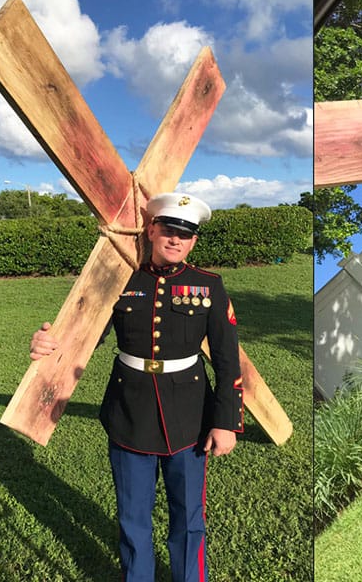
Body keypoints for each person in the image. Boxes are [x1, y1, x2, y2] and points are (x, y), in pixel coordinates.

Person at [30, 192, 243, 582]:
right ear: (152, 230)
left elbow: (228, 359)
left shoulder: (208, 285)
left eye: (186, 233)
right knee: (132, 521)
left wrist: (226, 422)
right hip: (129, 414)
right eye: (168, 230)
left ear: (194, 240)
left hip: (190, 419)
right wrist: (46, 341)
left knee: (189, 520)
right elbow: (84, 336)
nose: (176, 240)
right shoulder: (121, 279)